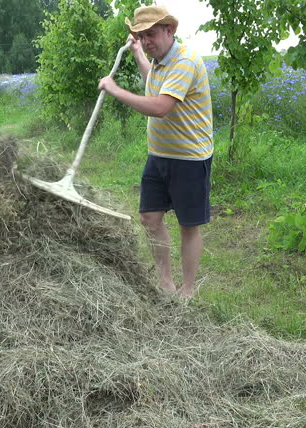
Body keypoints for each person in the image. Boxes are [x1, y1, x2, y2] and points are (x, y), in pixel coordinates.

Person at [98, 5, 213, 299]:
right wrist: (138, 54)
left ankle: (187, 292)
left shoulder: (185, 61)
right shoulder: (160, 61)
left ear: (169, 31)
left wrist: (115, 90)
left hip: (189, 158)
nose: (147, 40)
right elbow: (155, 82)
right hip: (159, 156)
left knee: (188, 225)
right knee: (150, 217)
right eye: (141, 36)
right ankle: (165, 282)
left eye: (151, 34)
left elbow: (161, 106)